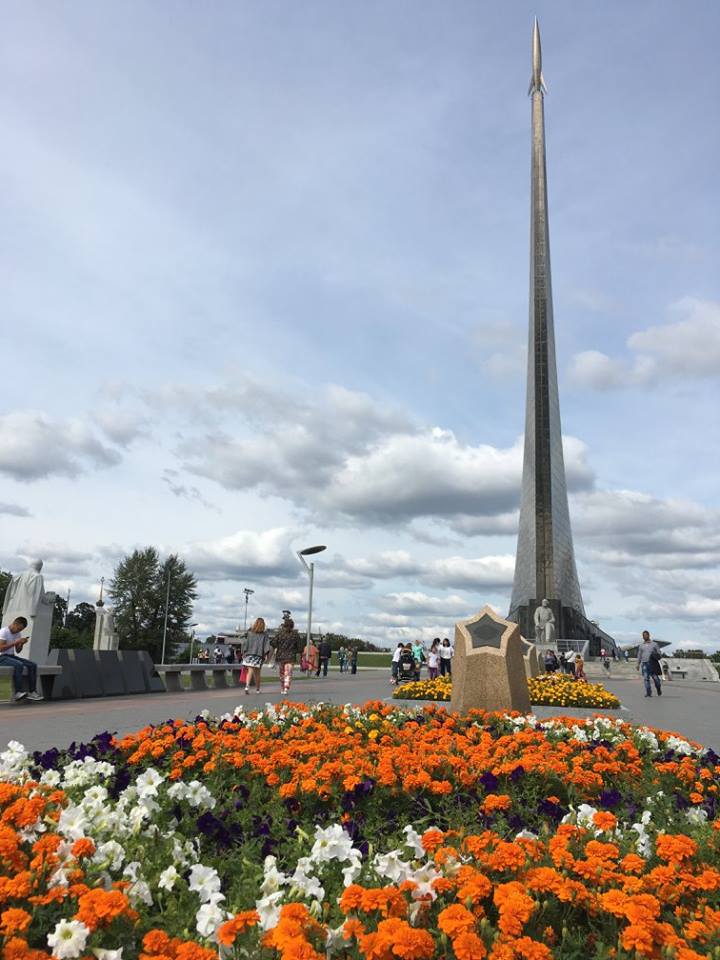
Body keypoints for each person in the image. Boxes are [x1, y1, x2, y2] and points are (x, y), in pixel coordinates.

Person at [0, 617, 44, 701]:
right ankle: (18, 692)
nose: (18, 631)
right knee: (19, 665)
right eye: (18, 629)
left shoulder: (18, 634)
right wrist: (15, 642)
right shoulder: (4, 632)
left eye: (21, 630)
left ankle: (32, 691)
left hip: (10, 656)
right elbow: (0, 648)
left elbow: (18, 651)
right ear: (14, 624)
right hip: (1, 657)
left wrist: (21, 644)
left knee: (32, 665)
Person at [270, 612, 303, 695]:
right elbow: (300, 648)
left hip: (280, 656)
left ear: (284, 625)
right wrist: (295, 651)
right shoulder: (295, 635)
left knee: (282, 673)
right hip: (291, 656)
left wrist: (278, 646)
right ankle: (286, 687)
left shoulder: (279, 634)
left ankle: (282, 688)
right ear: (293, 626)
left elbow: (273, 643)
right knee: (288, 672)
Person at [241, 617, 269, 694]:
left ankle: (247, 686)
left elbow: (245, 643)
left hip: (249, 654)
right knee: (257, 673)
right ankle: (257, 689)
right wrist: (266, 654)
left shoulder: (250, 633)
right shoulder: (264, 635)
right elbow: (266, 645)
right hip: (259, 655)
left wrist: (244, 652)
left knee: (250, 671)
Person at [637, 630, 662, 698]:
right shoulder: (641, 646)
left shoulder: (654, 644)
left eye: (645, 635)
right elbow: (639, 655)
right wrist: (638, 664)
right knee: (646, 678)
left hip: (653, 664)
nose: (644, 636)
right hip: (644, 664)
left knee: (656, 678)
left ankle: (658, 689)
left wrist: (655, 655)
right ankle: (648, 692)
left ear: (648, 635)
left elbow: (659, 653)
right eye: (643, 635)